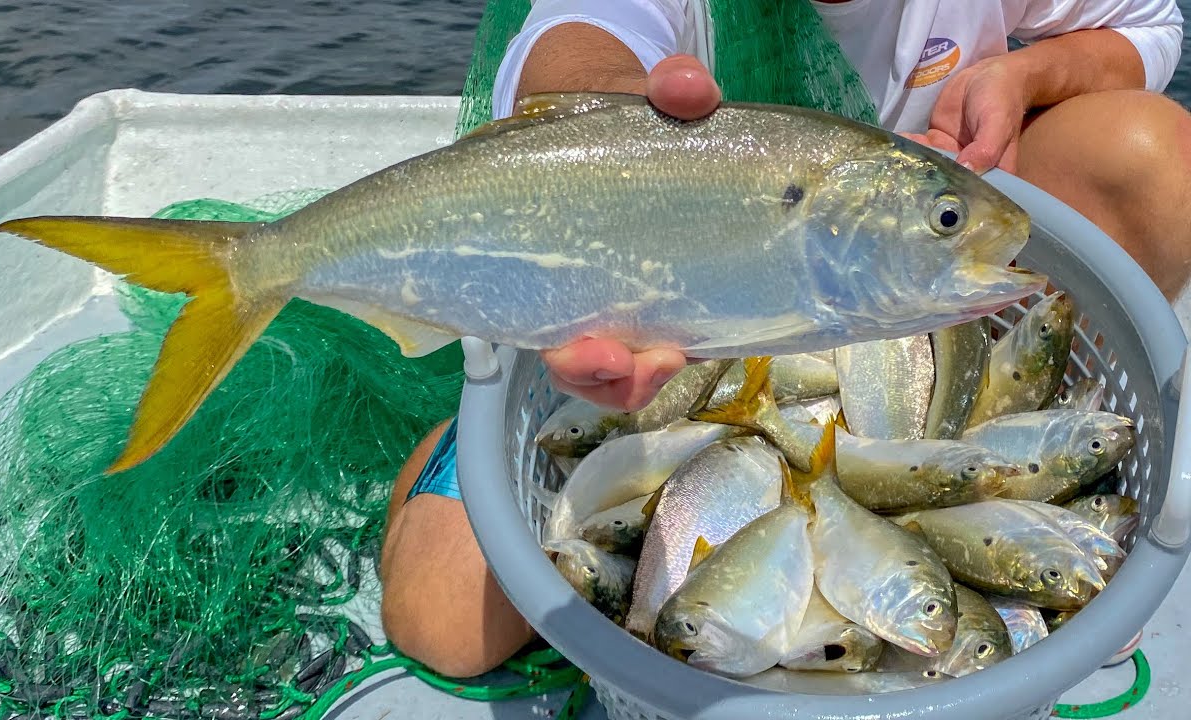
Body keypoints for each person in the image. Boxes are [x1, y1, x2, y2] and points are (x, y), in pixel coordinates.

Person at [380, 0, 1189, 677]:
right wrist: (624, 119)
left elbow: (1150, 24)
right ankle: (475, 438)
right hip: (656, 300)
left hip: (898, 279)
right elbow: (572, 38)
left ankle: (1053, 436)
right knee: (441, 620)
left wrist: (1020, 75)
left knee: (1162, 161)